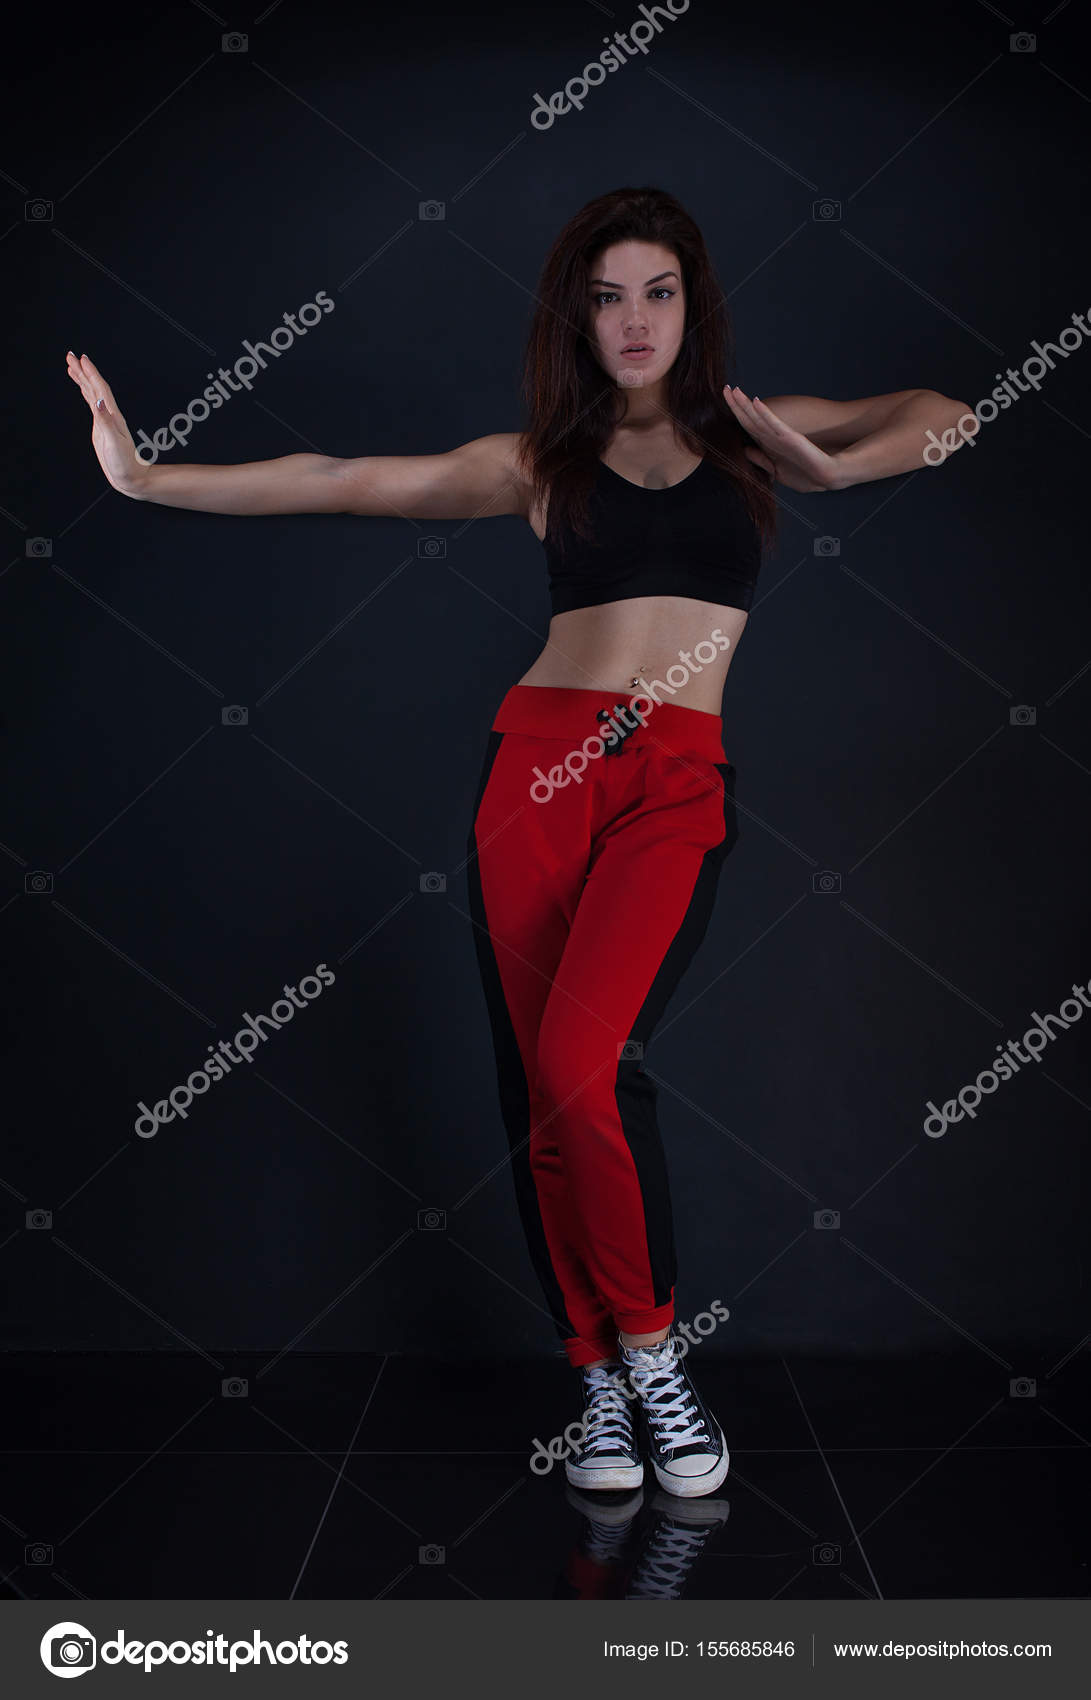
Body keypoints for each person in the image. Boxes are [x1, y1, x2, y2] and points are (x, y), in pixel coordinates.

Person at [65, 184, 972, 1501]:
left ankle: (655, 1355)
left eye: (658, 290)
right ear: (578, 319)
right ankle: (602, 1385)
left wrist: (837, 467)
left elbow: (949, 416)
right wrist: (145, 473)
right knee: (540, 1091)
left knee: (583, 1060)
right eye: (608, 296)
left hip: (671, 777)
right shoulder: (541, 461)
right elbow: (344, 483)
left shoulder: (751, 439)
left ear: (694, 305)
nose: (635, 319)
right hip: (543, 764)